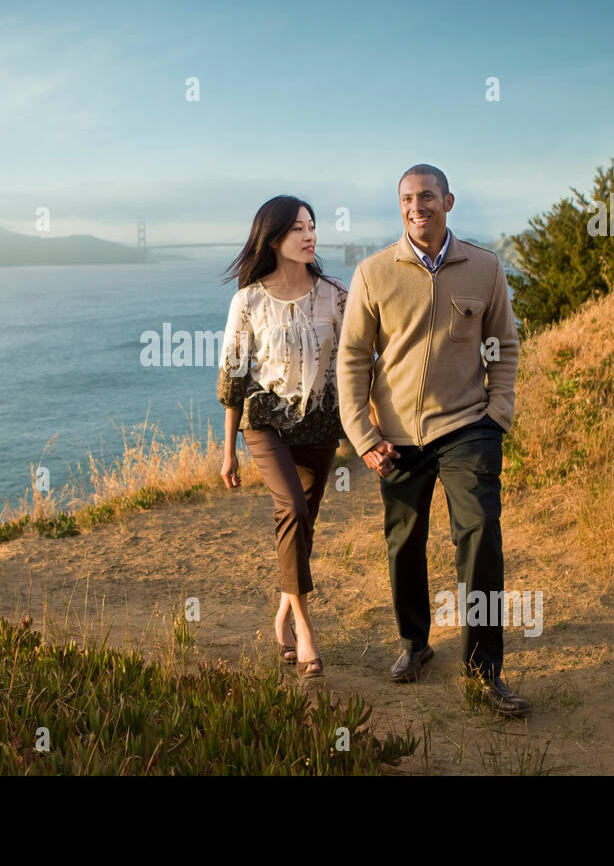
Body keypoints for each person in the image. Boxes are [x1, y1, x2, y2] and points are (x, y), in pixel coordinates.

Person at [336, 164, 531, 716]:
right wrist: (363, 434)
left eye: (426, 195)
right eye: (406, 197)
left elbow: (505, 345)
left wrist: (499, 413)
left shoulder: (485, 267)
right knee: (405, 543)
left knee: (480, 538)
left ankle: (484, 671)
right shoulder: (373, 273)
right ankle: (414, 644)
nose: (416, 205)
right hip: (394, 438)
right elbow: (351, 359)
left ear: (447, 200)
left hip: (469, 427)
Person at [217, 195, 347, 680]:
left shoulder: (336, 294)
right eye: (297, 228)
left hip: (320, 424)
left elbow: (353, 365)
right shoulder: (248, 301)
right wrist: (227, 449)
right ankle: (306, 630)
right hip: (264, 423)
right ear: (272, 238)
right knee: (292, 510)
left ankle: (282, 612)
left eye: (312, 226)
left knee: (302, 526)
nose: (310, 235)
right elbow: (233, 378)